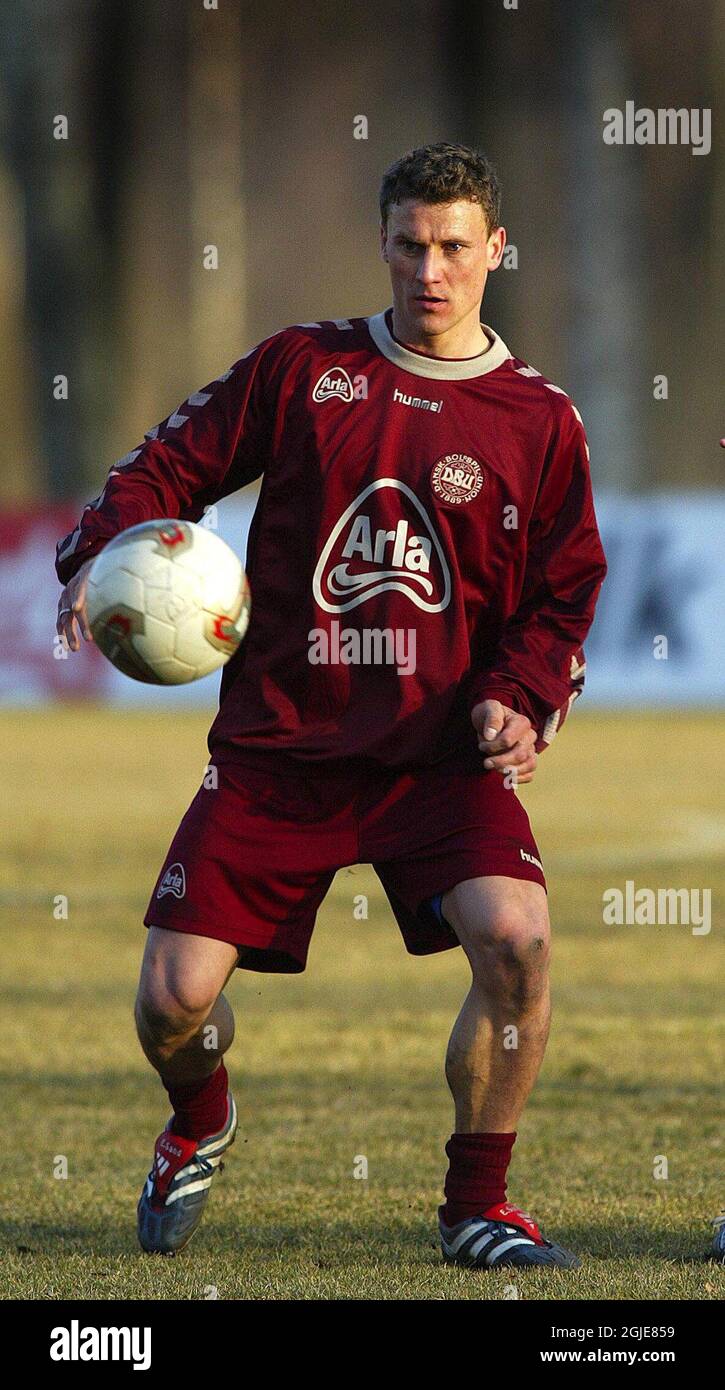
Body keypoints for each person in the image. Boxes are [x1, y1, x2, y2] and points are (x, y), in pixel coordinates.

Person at [56, 142, 607, 1269]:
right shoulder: (305, 369)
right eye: (408, 244)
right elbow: (168, 463)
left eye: (453, 247)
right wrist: (100, 550)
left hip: (437, 758)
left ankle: (477, 1206)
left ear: (494, 250)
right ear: (383, 244)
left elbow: (562, 595)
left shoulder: (537, 421)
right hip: (279, 749)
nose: (429, 270)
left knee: (516, 942)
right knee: (170, 1002)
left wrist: (518, 696)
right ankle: (200, 1119)